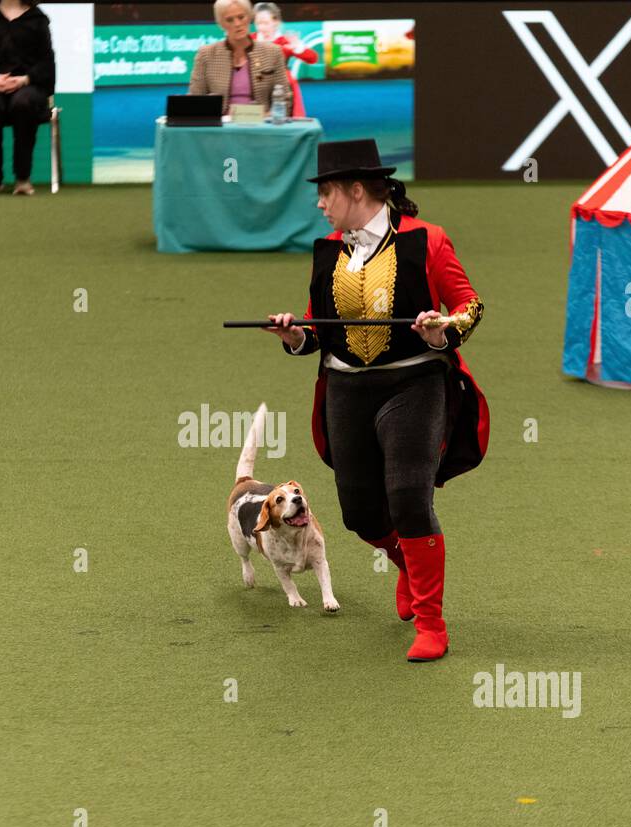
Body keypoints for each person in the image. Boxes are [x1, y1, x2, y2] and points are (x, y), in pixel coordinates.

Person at [264, 139, 490, 663]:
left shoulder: (428, 241)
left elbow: (469, 306)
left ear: (356, 190)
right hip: (345, 389)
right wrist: (294, 335)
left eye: (325, 193)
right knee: (359, 513)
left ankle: (432, 623)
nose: (320, 204)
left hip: (414, 384)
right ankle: (407, 564)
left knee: (410, 496)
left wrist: (440, 332)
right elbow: (320, 330)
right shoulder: (327, 250)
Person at [0, 0, 56, 196]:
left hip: (28, 86)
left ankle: (23, 178)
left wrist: (24, 79)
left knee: (23, 104)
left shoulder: (37, 19)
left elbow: (47, 62)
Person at [189, 0, 291, 115]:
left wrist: (264, 116)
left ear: (249, 17)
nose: (237, 24)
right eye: (229, 20)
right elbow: (194, 101)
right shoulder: (206, 54)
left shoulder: (273, 52)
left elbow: (285, 101)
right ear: (221, 24)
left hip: (262, 126)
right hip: (220, 128)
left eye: (241, 17)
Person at [252, 2, 317, 118]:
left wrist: (298, 47)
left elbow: (313, 59)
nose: (261, 28)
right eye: (258, 23)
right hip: (255, 86)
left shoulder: (285, 41)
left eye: (266, 23)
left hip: (281, 88)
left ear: (276, 22)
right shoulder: (250, 39)